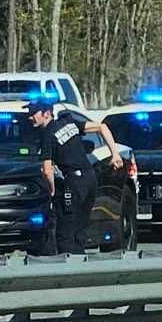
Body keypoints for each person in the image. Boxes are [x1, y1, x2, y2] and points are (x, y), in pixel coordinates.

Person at [27, 98, 124, 256]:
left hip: (72, 184)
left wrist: (51, 192)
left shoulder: (47, 135)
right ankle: (81, 265)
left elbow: (46, 170)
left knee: (65, 234)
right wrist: (115, 154)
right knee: (80, 228)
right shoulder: (69, 123)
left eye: (33, 113)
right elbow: (102, 126)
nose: (30, 117)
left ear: (46, 114)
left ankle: (69, 270)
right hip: (90, 179)